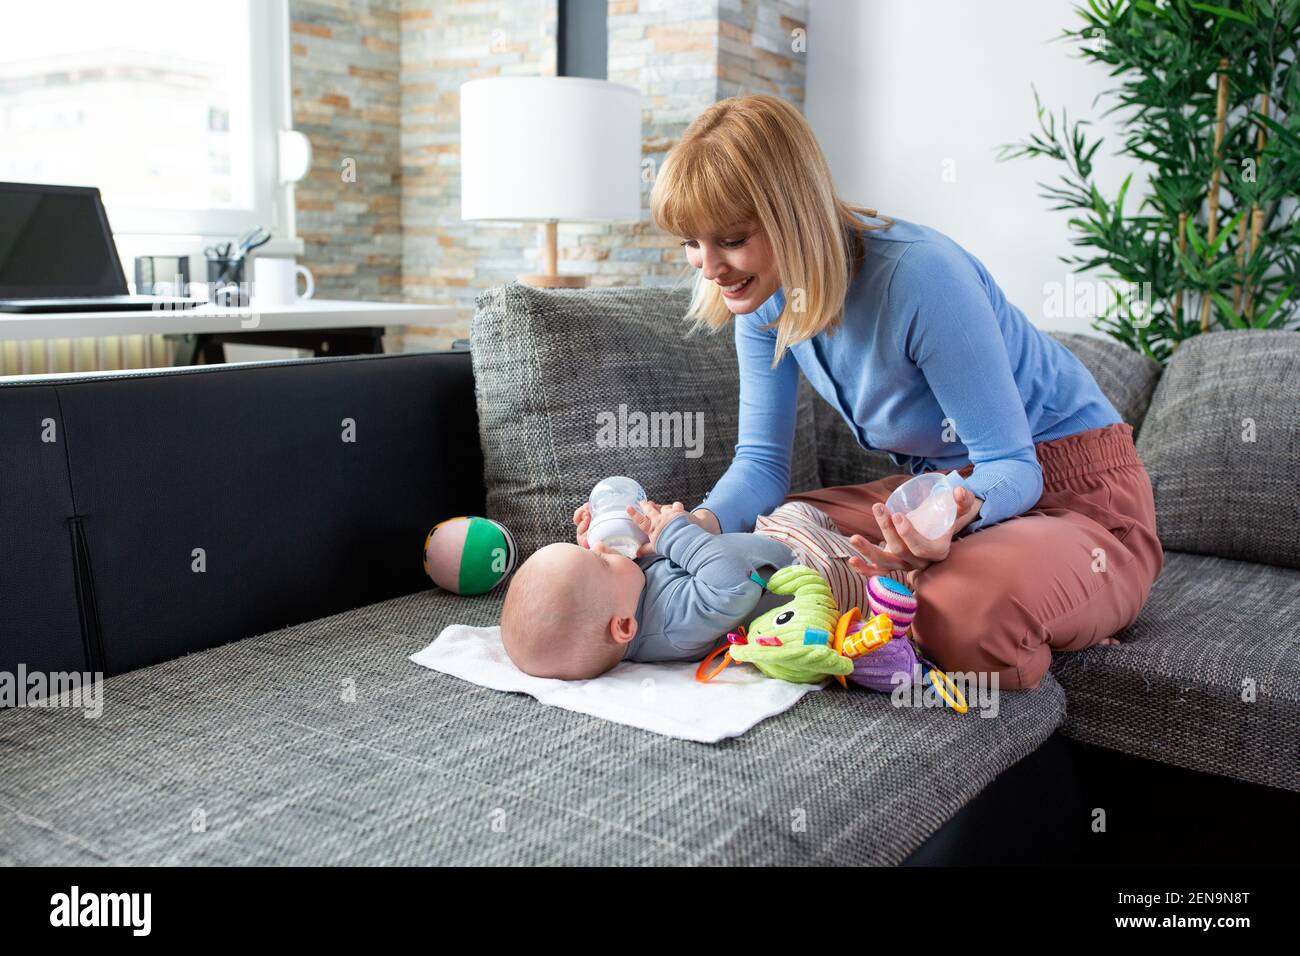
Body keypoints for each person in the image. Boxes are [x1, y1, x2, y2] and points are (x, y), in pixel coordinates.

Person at [644, 94, 1164, 690]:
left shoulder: (920, 276)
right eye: (692, 242)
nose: (709, 267)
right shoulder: (761, 300)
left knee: (962, 614)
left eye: (731, 239)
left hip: (1072, 496)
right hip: (940, 499)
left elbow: (1012, 467)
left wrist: (950, 517)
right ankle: (942, 592)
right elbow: (761, 466)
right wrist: (691, 530)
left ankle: (1055, 598)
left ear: (794, 214)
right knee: (765, 547)